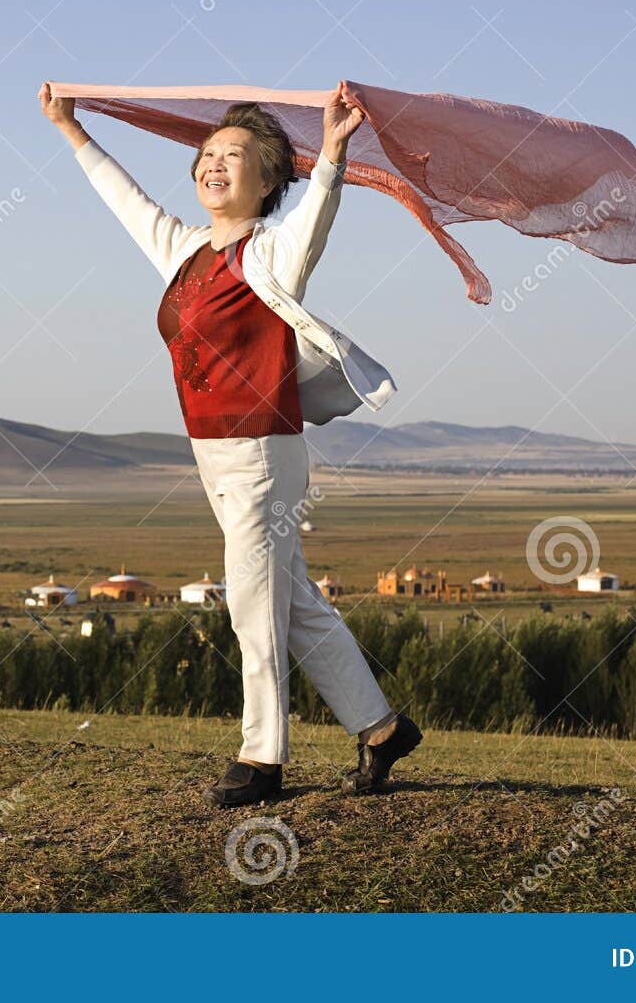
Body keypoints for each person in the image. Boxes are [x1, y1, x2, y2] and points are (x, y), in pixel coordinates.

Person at [39, 81, 421, 808]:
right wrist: (70, 129)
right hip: (212, 453)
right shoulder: (184, 251)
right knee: (292, 602)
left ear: (268, 179)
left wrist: (333, 151)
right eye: (208, 153)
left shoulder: (270, 253)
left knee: (250, 602)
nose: (214, 163)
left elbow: (317, 217)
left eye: (235, 155)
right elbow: (125, 200)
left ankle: (261, 757)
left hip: (261, 453)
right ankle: (382, 728)